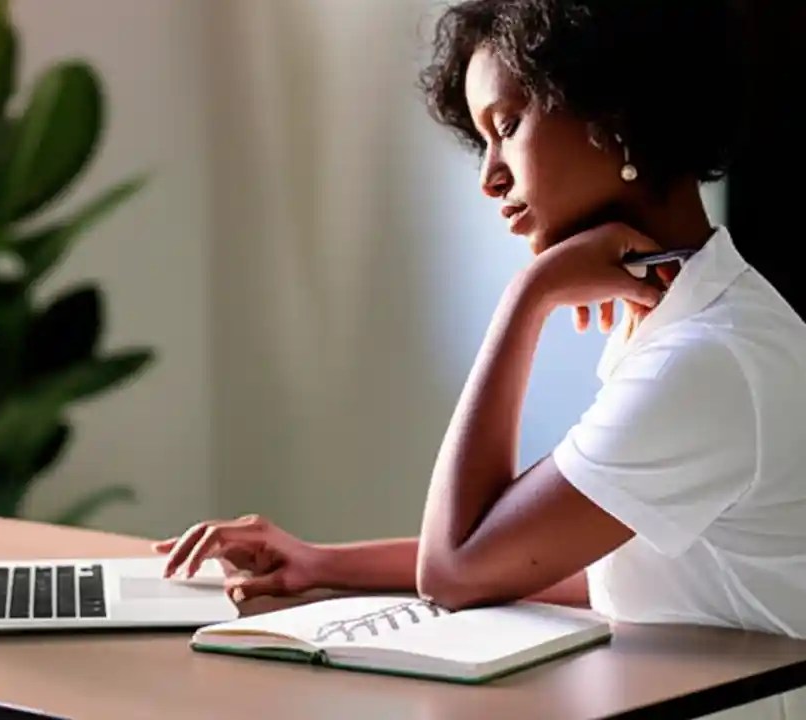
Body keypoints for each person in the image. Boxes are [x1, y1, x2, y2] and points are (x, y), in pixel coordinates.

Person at [156, 0, 806, 701]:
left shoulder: (703, 361)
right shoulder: (705, 321)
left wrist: (527, 298)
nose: (490, 177)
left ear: (611, 116)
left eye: (507, 126)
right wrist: (319, 564)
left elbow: (457, 568)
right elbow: (573, 562)